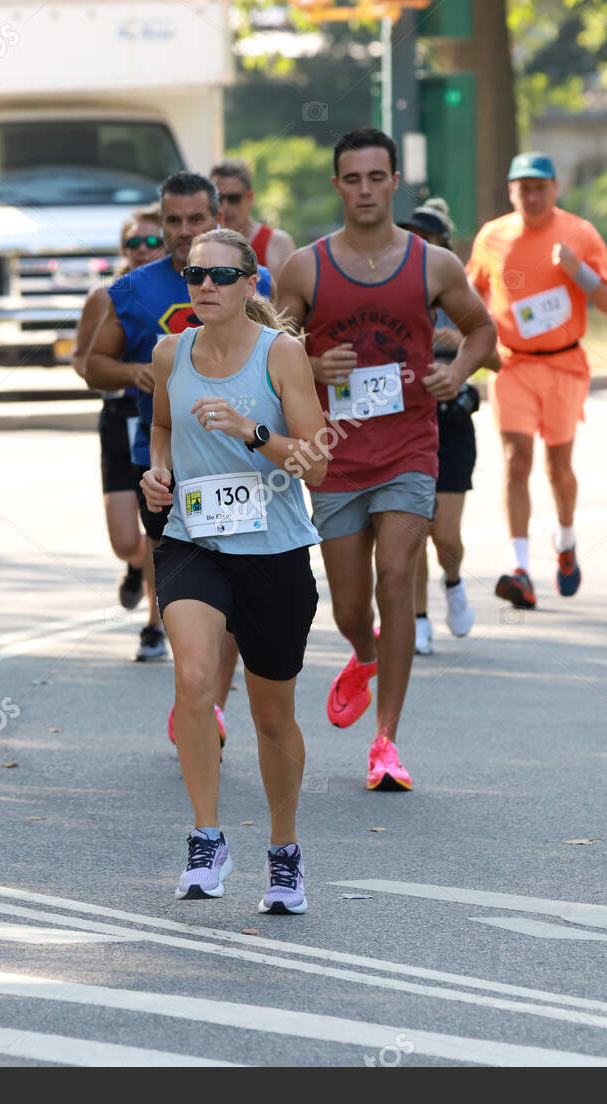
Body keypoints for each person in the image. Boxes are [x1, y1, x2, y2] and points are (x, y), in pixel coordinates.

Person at [276, 129, 494, 792]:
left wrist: (456, 371)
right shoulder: (306, 268)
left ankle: (386, 741)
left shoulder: (432, 265)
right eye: (353, 178)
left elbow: (483, 328)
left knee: (397, 576)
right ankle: (363, 652)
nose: (365, 190)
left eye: (377, 177)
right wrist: (310, 363)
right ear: (338, 185)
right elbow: (269, 351)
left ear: (395, 181)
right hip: (334, 455)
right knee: (347, 606)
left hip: (408, 445)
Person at [140, 227, 328, 912]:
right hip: (194, 540)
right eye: (194, 277)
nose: (205, 288)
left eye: (220, 276)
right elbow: (161, 428)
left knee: (273, 715)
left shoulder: (283, 354)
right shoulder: (169, 353)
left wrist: (250, 431)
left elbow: (318, 461)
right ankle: (206, 836)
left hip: (274, 550)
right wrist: (156, 471)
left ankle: (284, 850)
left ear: (252, 283)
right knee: (193, 678)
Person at [84, 172, 274, 740]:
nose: (185, 230)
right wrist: (134, 372)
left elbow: (281, 353)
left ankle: (210, 700)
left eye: (197, 219)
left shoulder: (251, 278)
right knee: (189, 591)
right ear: (160, 221)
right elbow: (93, 365)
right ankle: (196, 688)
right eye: (173, 220)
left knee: (236, 589)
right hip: (164, 464)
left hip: (240, 461)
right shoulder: (133, 289)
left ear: (219, 219)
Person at [468, 151, 607, 610]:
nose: (532, 195)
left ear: (555, 189)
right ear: (511, 191)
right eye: (523, 187)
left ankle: (566, 542)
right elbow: (469, 295)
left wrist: (579, 271)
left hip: (564, 364)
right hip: (512, 363)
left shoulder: (580, 233)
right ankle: (519, 569)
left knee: (559, 466)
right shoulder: (492, 236)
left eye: (540, 187)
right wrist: (472, 338)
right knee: (516, 460)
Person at [397, 199, 490, 654]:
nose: (417, 244)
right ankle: (418, 620)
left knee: (445, 534)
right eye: (409, 235)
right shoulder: (389, 291)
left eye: (426, 237)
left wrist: (459, 343)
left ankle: (453, 581)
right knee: (413, 528)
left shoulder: (457, 292)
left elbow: (496, 355)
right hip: (405, 422)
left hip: (452, 425)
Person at [72, 207, 165, 622]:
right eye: (134, 243)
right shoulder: (107, 296)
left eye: (152, 242)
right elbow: (83, 360)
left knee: (158, 526)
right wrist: (125, 374)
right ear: (123, 248)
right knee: (127, 541)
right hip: (120, 413)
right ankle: (134, 564)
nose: (143, 250)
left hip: (163, 417)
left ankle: (154, 624)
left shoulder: (184, 290)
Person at [209, 160, 295, 274]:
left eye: (233, 198)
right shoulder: (199, 245)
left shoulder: (278, 243)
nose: (224, 207)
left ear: (250, 197)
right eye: (218, 199)